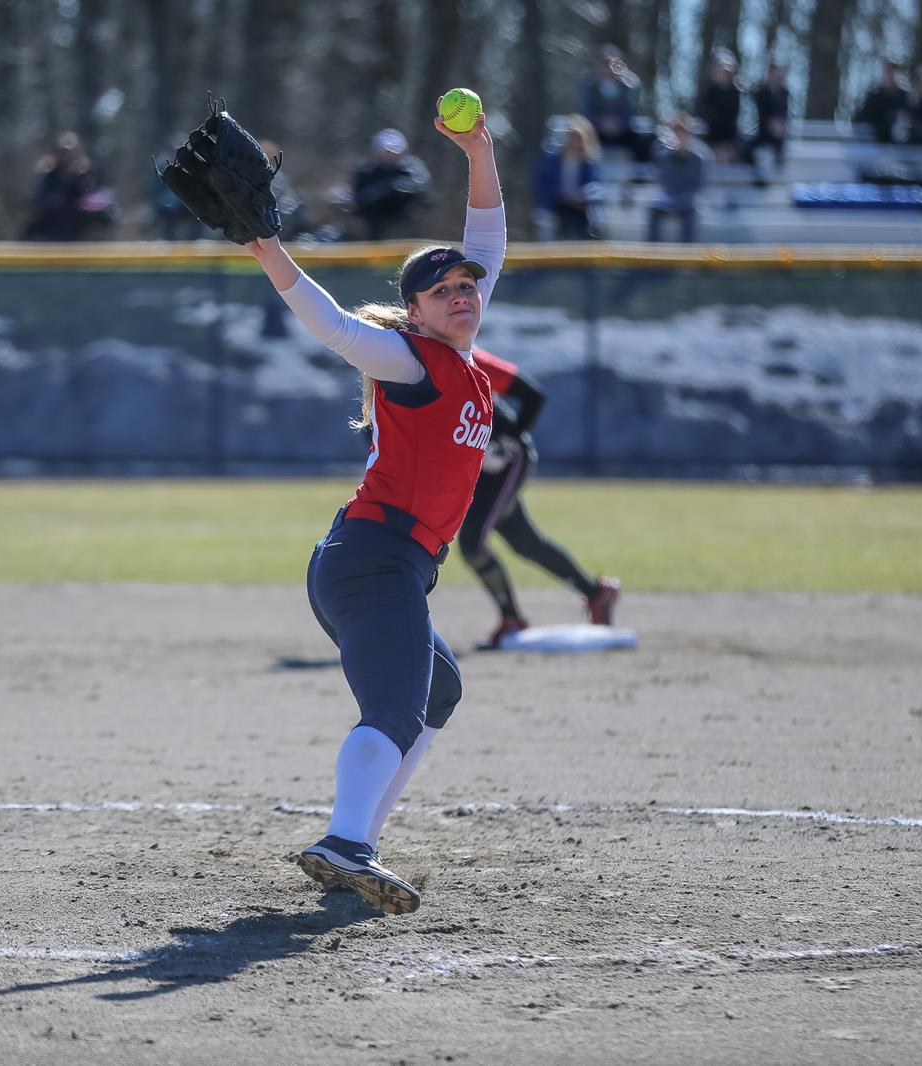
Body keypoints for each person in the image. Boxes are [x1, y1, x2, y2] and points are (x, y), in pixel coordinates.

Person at [243, 104, 504, 915]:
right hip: (371, 558)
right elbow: (327, 323)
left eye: (467, 286)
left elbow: (490, 239)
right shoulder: (409, 358)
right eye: (444, 289)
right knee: (392, 706)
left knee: (437, 694)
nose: (462, 294)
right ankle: (345, 841)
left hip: (394, 565)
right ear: (417, 308)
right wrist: (269, 248)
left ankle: (359, 845)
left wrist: (480, 150)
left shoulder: (459, 359)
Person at [461, 347, 621, 649]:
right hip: (479, 463)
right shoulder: (410, 367)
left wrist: (506, 441)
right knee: (524, 541)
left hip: (503, 460)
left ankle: (511, 619)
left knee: (472, 543)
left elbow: (533, 396)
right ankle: (596, 593)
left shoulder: (467, 357)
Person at [22, 132, 115, 241]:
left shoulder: (86, 174)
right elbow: (39, 200)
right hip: (50, 232)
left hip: (80, 234)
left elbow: (97, 202)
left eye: (70, 151)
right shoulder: (48, 174)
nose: (66, 156)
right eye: (62, 151)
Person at [351, 128, 433, 241]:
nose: (389, 156)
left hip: (406, 227)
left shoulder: (411, 170)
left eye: (394, 153)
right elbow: (359, 199)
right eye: (385, 152)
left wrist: (398, 188)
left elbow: (423, 192)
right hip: (373, 226)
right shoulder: (367, 171)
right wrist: (384, 191)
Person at [532, 115, 604, 240]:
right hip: (555, 207)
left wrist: (582, 195)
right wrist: (561, 194)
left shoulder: (589, 164)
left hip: (580, 210)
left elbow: (596, 187)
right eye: (571, 137)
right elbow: (541, 185)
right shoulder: (550, 161)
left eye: (578, 138)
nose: (574, 142)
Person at [648, 114, 710, 243]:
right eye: (676, 133)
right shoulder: (664, 156)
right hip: (669, 199)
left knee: (690, 213)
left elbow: (697, 185)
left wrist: (683, 198)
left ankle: (687, 257)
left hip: (688, 201)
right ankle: (651, 256)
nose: (679, 137)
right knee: (653, 210)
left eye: (683, 134)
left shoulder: (698, 159)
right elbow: (665, 182)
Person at [580, 45, 648, 163]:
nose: (609, 68)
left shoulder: (633, 85)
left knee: (642, 143)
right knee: (581, 141)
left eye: (614, 63)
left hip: (624, 130)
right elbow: (586, 110)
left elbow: (633, 111)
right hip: (596, 130)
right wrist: (600, 123)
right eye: (606, 63)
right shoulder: (587, 84)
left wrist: (619, 124)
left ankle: (640, 177)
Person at [696, 51, 744, 164]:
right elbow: (705, 115)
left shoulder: (735, 93)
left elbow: (732, 118)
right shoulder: (708, 92)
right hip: (712, 139)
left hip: (729, 141)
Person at [853, 60, 911, 144]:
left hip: (900, 147)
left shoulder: (906, 97)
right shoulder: (874, 97)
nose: (891, 76)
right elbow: (862, 118)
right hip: (876, 143)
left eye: (894, 72)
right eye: (888, 72)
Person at [748, 61, 791, 170]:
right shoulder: (762, 91)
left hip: (778, 140)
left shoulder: (783, 93)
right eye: (772, 72)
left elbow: (783, 116)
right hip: (763, 136)